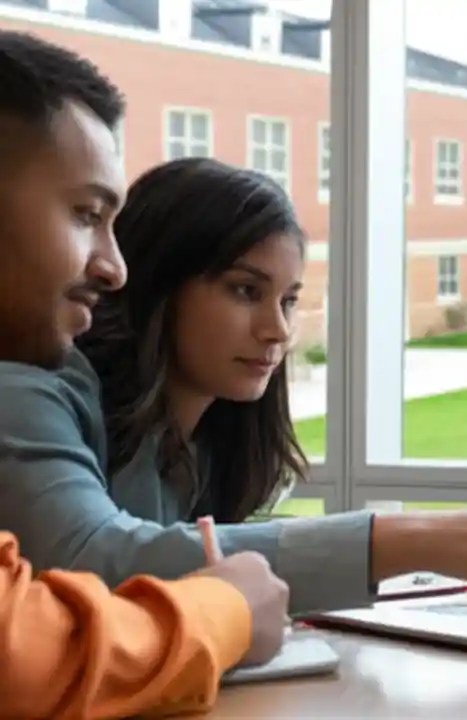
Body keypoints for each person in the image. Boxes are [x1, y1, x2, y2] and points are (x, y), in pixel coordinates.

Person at [0, 154, 467, 617]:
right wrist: (411, 538)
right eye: (245, 291)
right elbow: (95, 559)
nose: (276, 331)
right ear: (159, 282)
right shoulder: (30, 392)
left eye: (288, 300)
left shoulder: (208, 447)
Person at [0, 30, 288, 718]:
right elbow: (28, 652)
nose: (113, 269)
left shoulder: (211, 450)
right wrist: (223, 609)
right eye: (85, 215)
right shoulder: (38, 394)